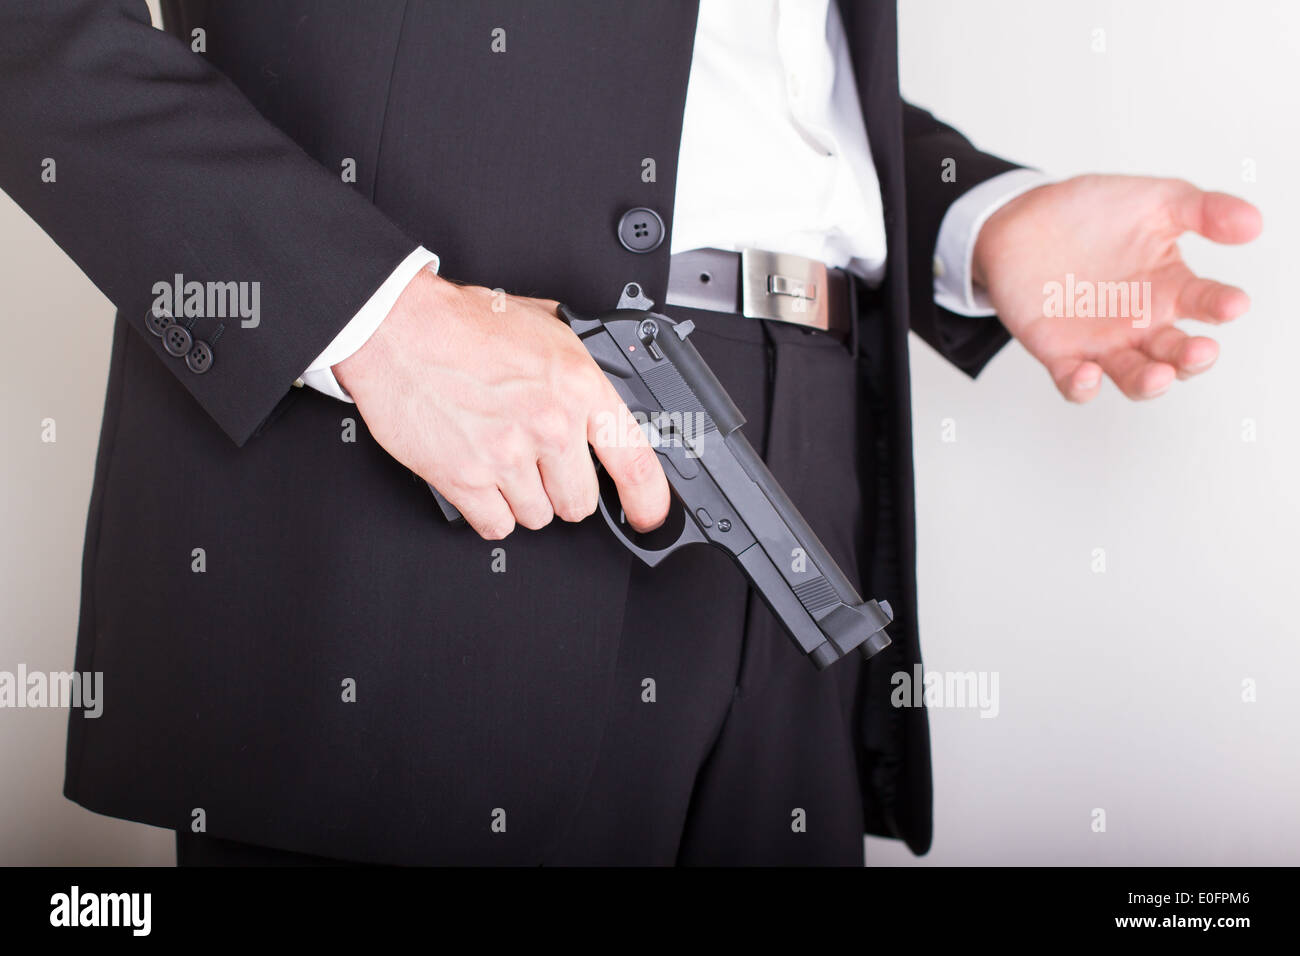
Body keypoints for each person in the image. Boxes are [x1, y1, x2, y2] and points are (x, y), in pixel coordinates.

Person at [0, 0, 1260, 865]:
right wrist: (369, 322)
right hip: (418, 464)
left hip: (800, 458)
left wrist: (972, 217)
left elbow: (738, 79)